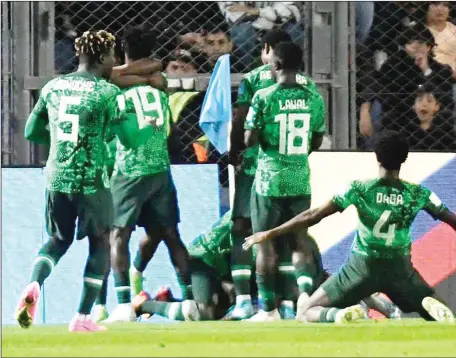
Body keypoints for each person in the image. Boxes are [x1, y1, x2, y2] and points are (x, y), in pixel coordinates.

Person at [15, 30, 154, 332]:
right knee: (101, 243)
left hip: (57, 177)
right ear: (103, 57)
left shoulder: (53, 87)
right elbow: (130, 140)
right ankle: (81, 317)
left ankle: (34, 284)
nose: (115, 61)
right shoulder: (108, 94)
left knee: (57, 241)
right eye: (112, 55)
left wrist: (59, 145)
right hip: (92, 181)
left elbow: (30, 131)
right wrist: (148, 127)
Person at [244, 130, 456, 324]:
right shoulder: (419, 194)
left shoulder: (359, 189)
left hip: (361, 268)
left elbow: (313, 215)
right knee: (441, 312)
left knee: (306, 311)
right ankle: (426, 302)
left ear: (377, 156)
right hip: (400, 269)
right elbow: (450, 218)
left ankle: (337, 314)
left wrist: (269, 232)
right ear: (405, 158)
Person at [131, 212, 401, 322]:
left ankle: (387, 308)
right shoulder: (254, 218)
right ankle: (144, 304)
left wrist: (378, 303)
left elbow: (323, 278)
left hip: (239, 270)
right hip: (208, 262)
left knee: (310, 284)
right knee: (200, 313)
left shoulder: (293, 234)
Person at [227, 29, 319, 321]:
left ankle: (266, 308)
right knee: (298, 239)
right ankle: (301, 298)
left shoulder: (261, 90)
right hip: (299, 175)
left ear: (274, 62)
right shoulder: (313, 92)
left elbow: (248, 136)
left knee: (261, 239)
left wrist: (244, 147)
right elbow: (315, 140)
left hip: (266, 176)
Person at [104, 25, 191, 322]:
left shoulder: (114, 85)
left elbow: (112, 76)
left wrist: (121, 71)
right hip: (159, 168)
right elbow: (153, 72)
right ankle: (190, 299)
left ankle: (124, 304)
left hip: (128, 168)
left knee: (119, 235)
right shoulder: (159, 82)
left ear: (121, 51)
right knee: (170, 235)